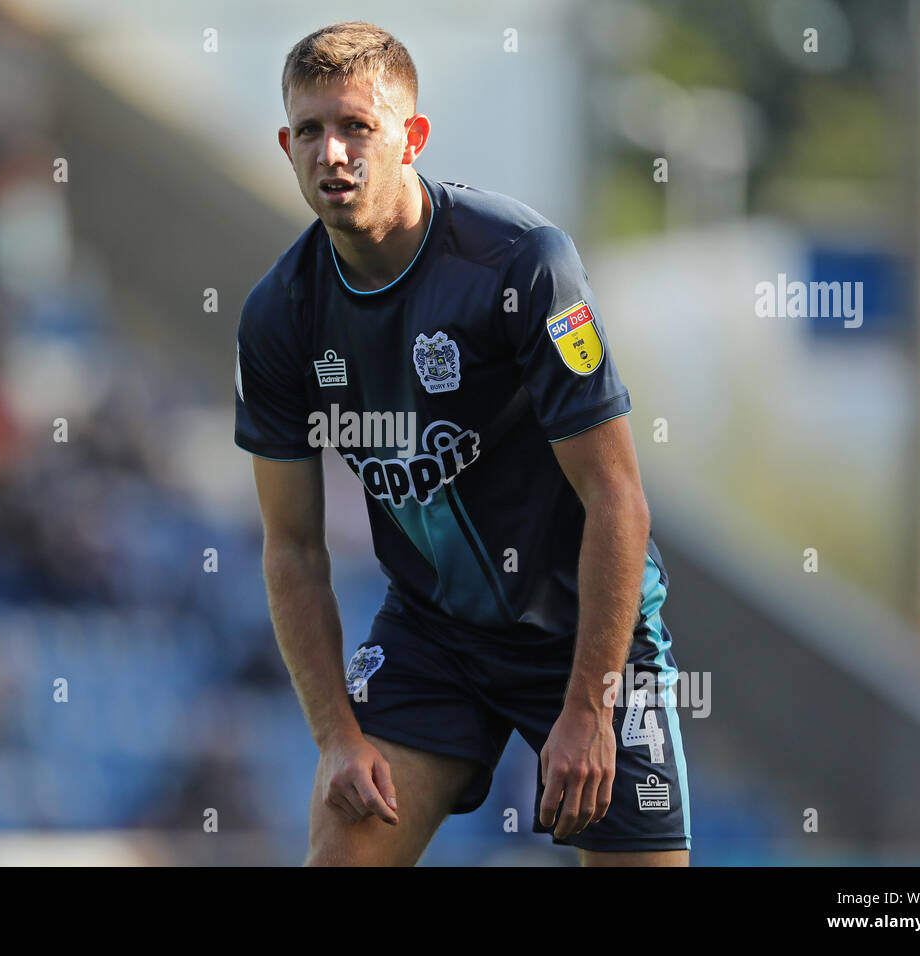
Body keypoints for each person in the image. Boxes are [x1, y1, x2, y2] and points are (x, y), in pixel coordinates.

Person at [234, 21, 690, 866]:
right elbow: (291, 547)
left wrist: (589, 707)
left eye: (356, 127)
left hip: (580, 633)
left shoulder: (522, 264)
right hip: (434, 636)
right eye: (310, 131)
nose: (332, 153)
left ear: (412, 138)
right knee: (345, 837)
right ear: (285, 143)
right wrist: (336, 736)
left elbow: (616, 496)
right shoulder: (279, 316)